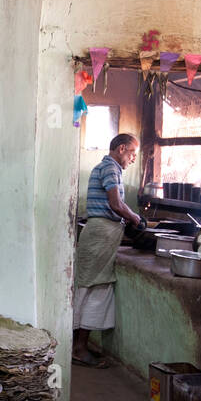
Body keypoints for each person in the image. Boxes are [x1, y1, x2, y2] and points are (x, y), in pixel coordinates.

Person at [73, 133, 142, 367]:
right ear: (122, 148)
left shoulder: (106, 167)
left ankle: (76, 346)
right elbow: (115, 204)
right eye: (132, 153)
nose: (133, 158)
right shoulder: (111, 169)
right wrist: (135, 218)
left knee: (87, 286)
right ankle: (79, 348)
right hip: (101, 234)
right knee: (94, 287)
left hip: (99, 233)